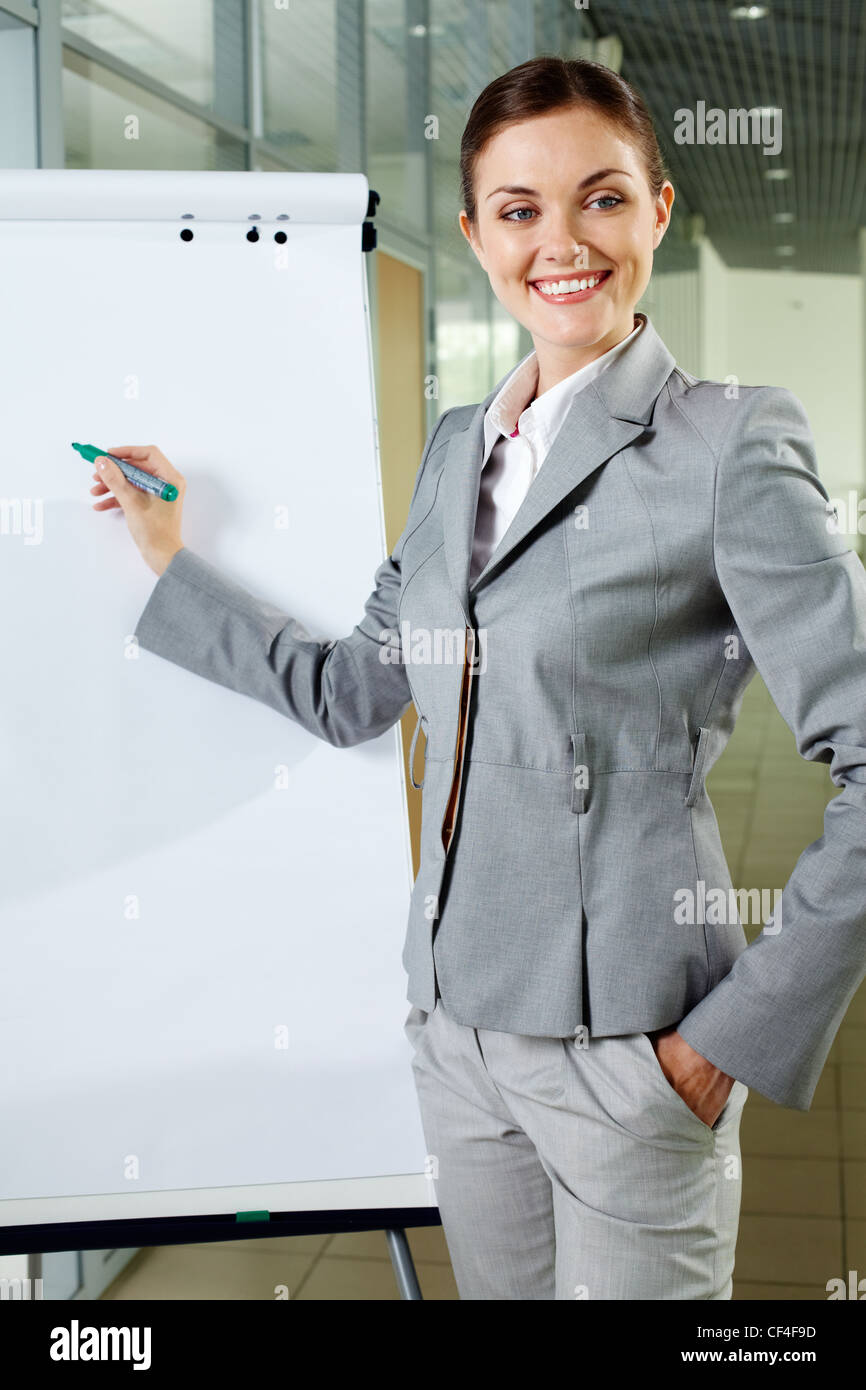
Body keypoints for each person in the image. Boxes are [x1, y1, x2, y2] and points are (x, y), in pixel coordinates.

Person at [92, 57, 866, 1301]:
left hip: (628, 1050)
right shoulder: (460, 448)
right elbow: (355, 688)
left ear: (656, 212)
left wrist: (724, 1045)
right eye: (518, 210)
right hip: (457, 1034)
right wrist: (169, 559)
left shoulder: (726, 441)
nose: (561, 242)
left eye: (600, 199)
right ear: (475, 235)